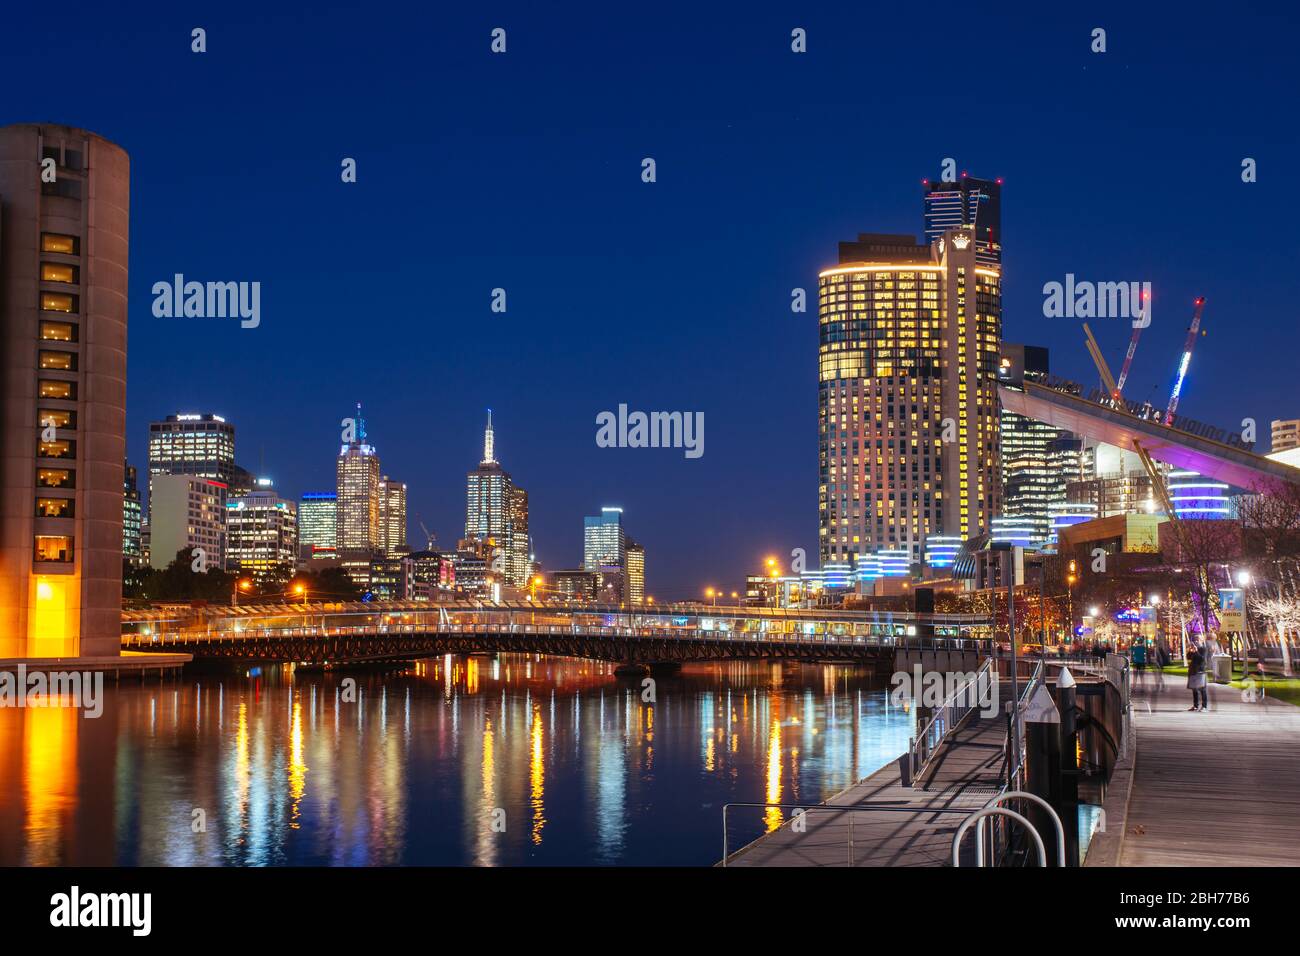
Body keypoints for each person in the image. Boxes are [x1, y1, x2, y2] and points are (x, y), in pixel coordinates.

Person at [1187, 645, 1208, 711]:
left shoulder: (1203, 649)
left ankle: (1204, 706)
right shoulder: (1194, 650)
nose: (1196, 641)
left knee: (1202, 689)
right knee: (1194, 689)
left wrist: (1196, 651)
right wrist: (1190, 651)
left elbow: (1202, 659)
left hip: (1200, 671)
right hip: (1193, 671)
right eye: (1195, 639)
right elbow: (1188, 657)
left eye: (1198, 639)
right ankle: (1195, 706)